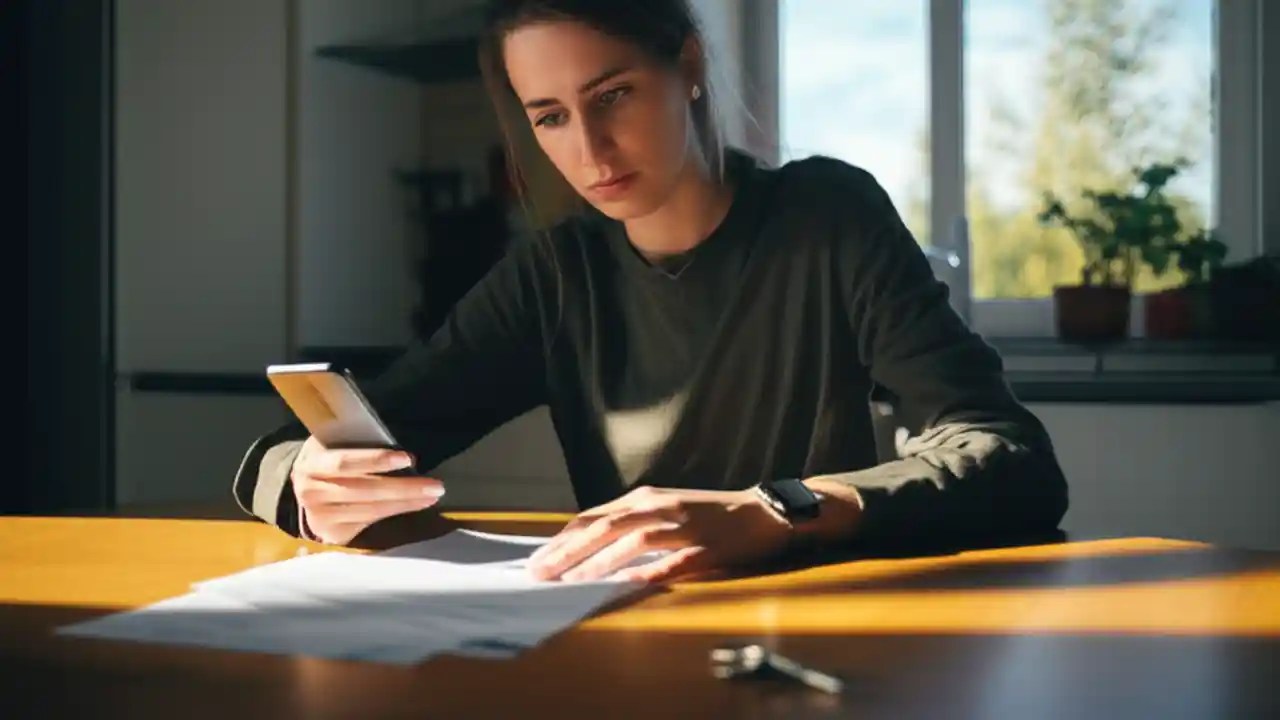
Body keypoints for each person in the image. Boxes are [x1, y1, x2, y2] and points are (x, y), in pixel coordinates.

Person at [233, 0, 1068, 584]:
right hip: (622, 638)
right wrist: (308, 481)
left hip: (823, 641)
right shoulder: (554, 276)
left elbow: (1011, 461)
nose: (590, 150)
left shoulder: (827, 217)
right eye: (550, 117)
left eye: (613, 96)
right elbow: (314, 444)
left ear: (689, 65)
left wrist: (774, 509)